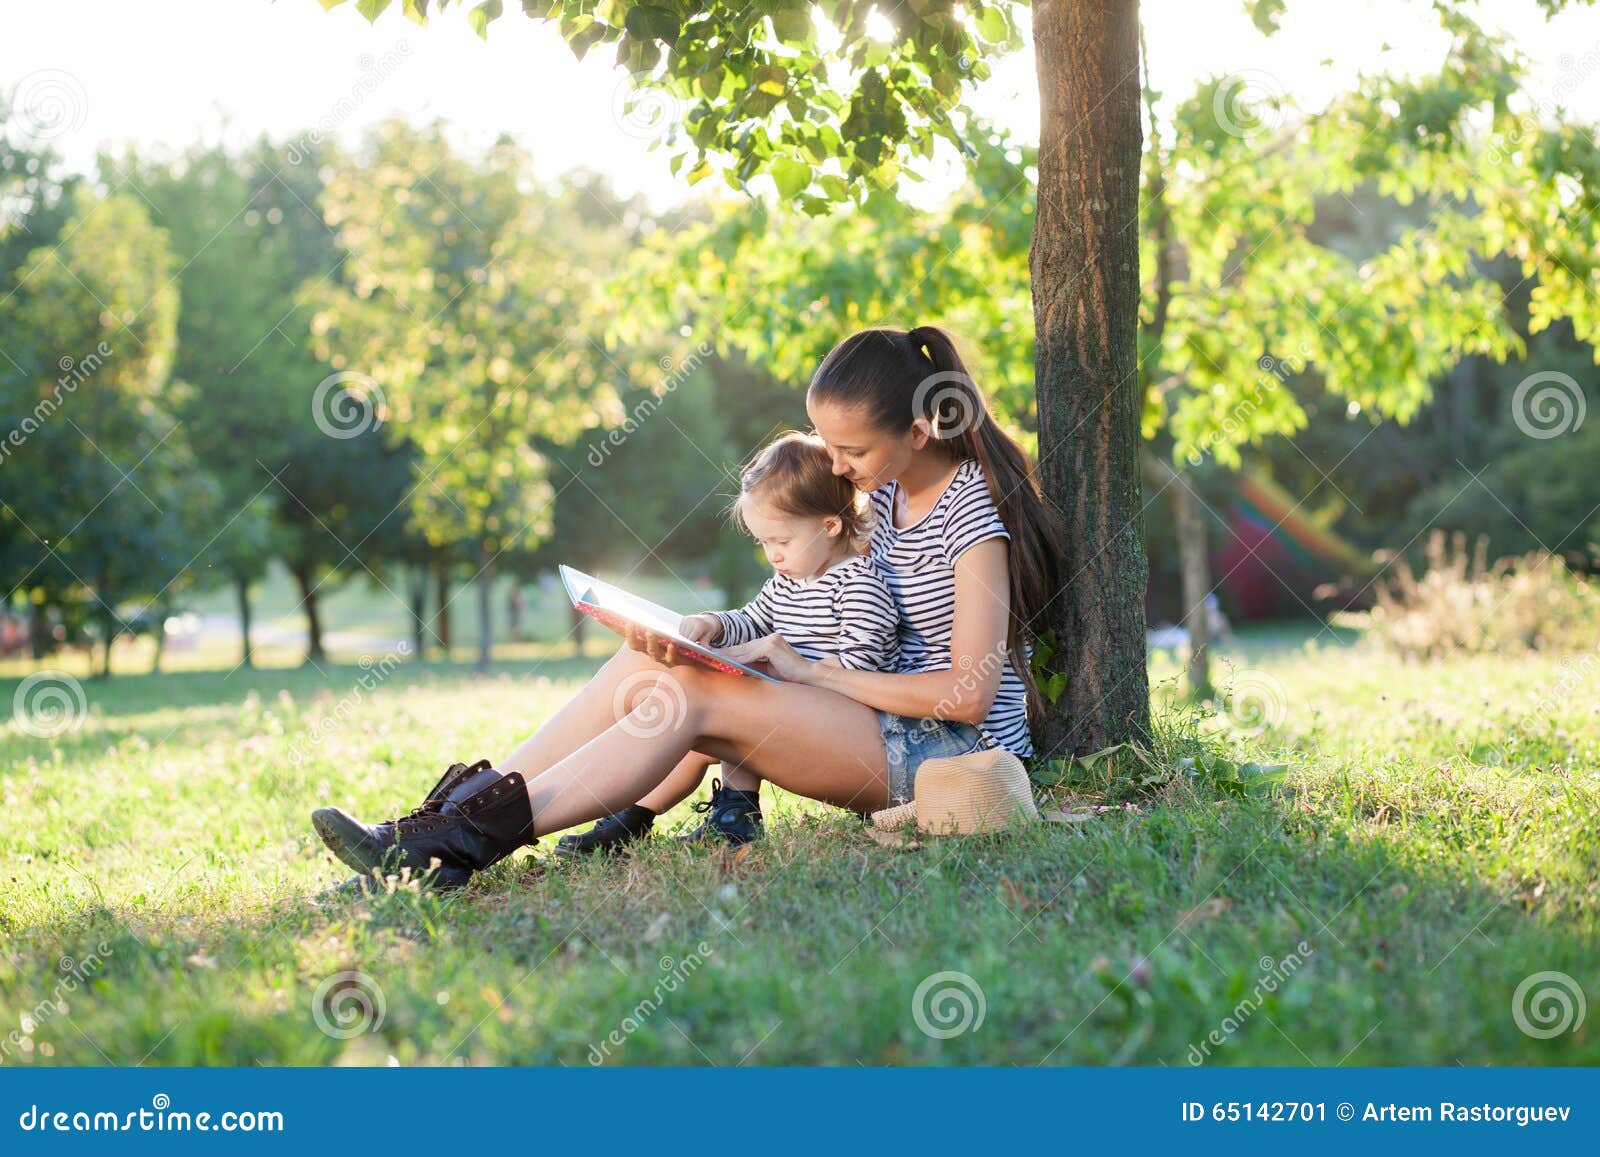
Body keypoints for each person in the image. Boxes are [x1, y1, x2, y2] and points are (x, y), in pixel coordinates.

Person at [309, 324, 1065, 892]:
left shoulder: (972, 517)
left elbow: (966, 696)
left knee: (697, 694)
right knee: (648, 658)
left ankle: (459, 843)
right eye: (829, 445)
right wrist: (717, 634)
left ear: (919, 430)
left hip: (946, 754)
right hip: (873, 722)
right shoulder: (885, 491)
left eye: (852, 453)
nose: (836, 466)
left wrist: (811, 674)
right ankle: (436, 828)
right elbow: (805, 594)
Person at [554, 429, 899, 857]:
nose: (772, 555)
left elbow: (861, 672)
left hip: (848, 732)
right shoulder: (790, 581)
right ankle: (655, 816)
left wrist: (789, 674)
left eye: (782, 541)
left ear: (829, 526)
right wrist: (712, 625)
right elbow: (752, 620)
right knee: (696, 719)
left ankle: (711, 816)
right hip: (796, 708)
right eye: (763, 542)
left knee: (728, 697)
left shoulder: (860, 586)